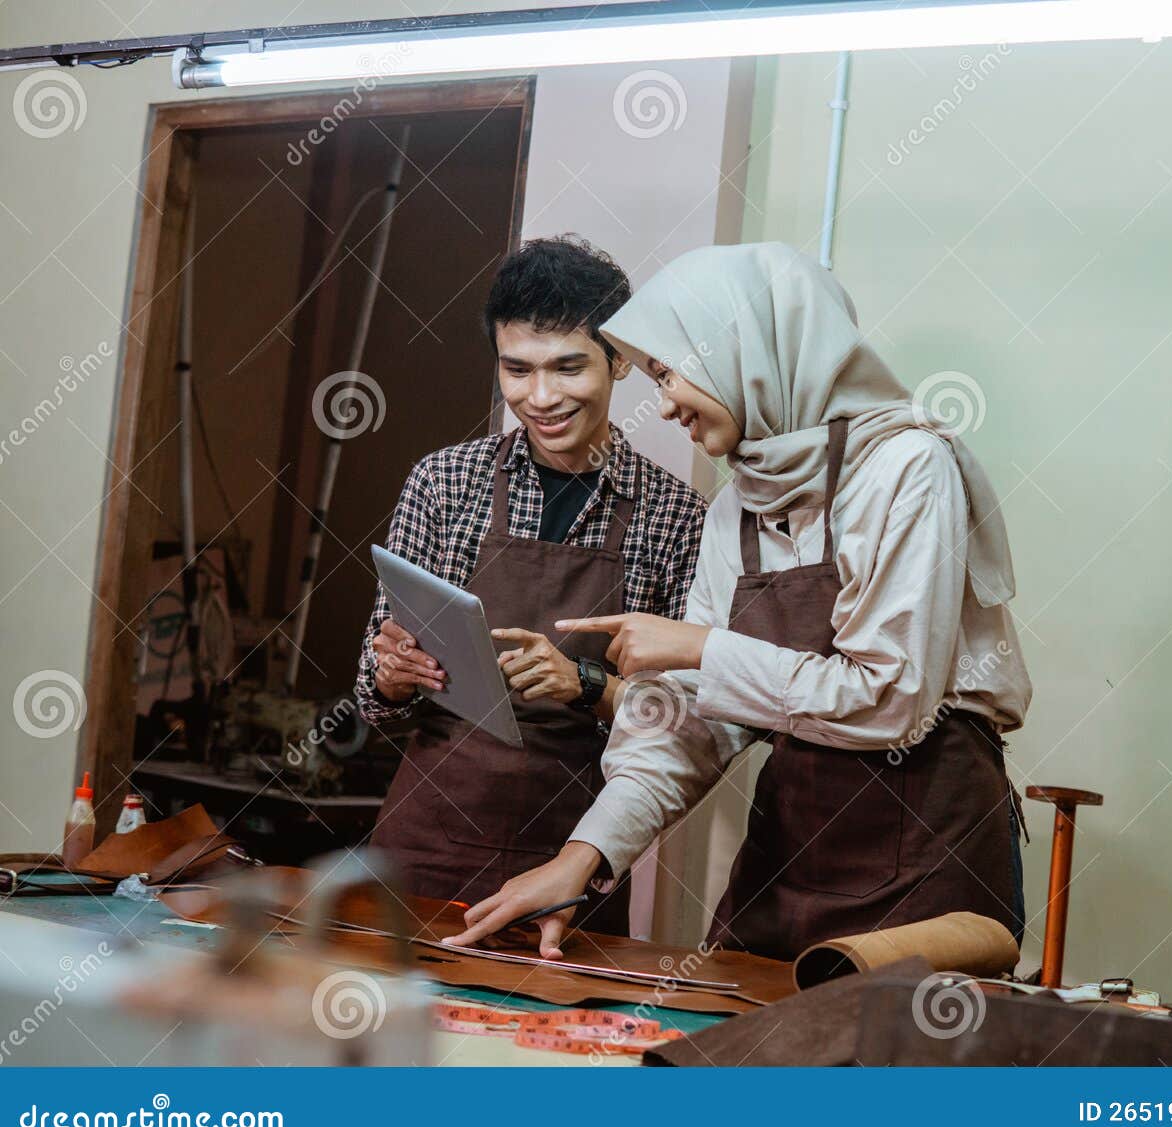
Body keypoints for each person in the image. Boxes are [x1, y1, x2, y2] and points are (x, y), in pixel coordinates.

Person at [443, 241, 1032, 961]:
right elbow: (690, 723)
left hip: (927, 853)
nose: (662, 405)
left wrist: (699, 647)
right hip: (795, 847)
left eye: (670, 373)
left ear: (747, 351)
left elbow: (892, 699)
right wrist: (582, 857)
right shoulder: (737, 508)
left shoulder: (909, 469)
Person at [355, 235, 707, 931]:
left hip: (572, 852)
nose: (540, 397)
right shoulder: (443, 482)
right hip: (423, 841)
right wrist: (390, 670)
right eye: (516, 370)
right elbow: (372, 688)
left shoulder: (677, 517)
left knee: (552, 1035)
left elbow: (691, 725)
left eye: (568, 367)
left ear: (619, 360)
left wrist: (590, 686)